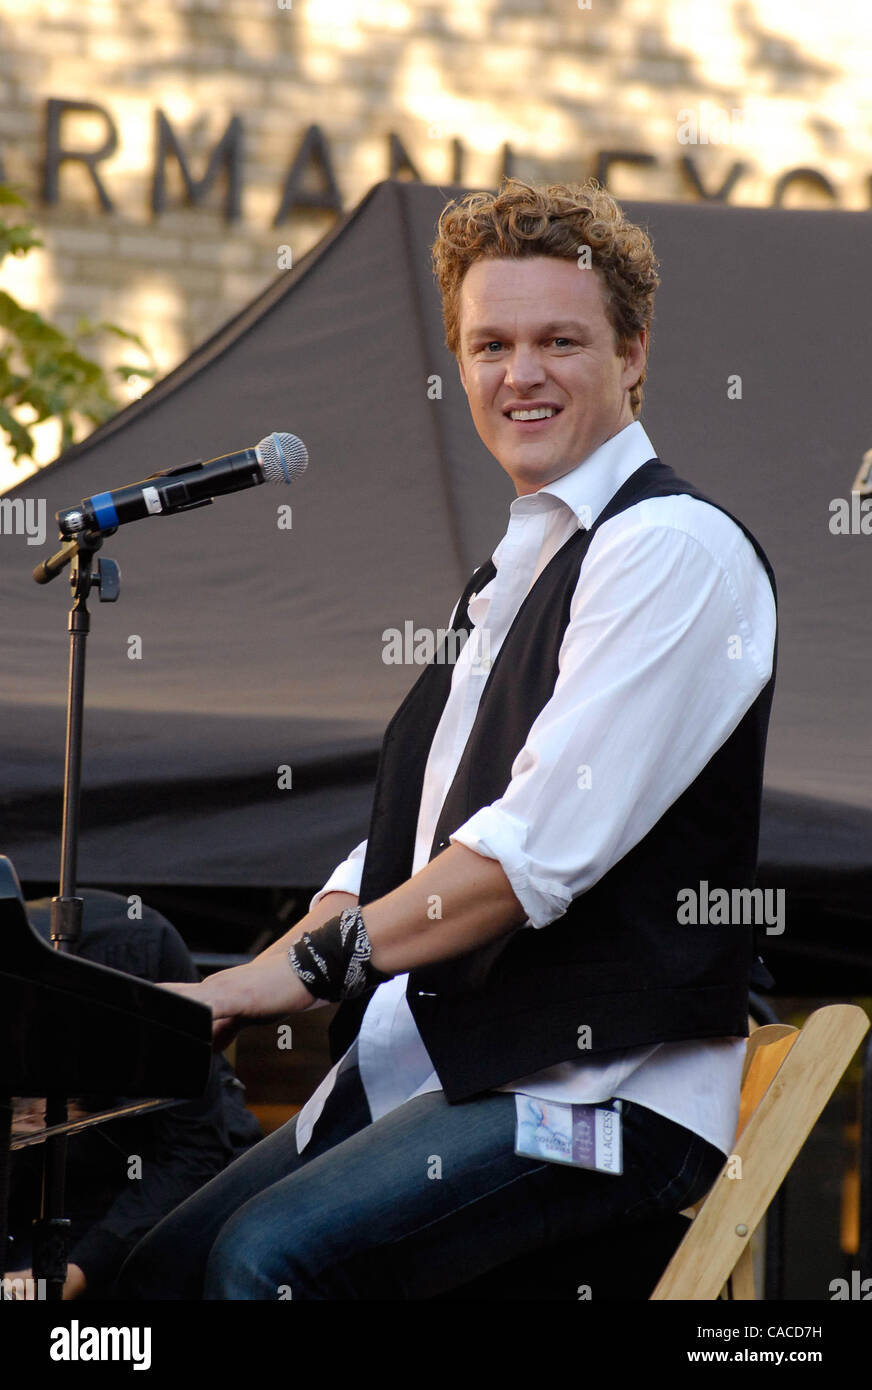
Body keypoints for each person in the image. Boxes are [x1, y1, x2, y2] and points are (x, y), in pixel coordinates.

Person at [118, 176, 777, 1301]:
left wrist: (283, 980)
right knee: (154, 1279)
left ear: (632, 354)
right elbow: (413, 847)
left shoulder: (669, 549)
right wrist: (254, 972)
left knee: (262, 1261)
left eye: (556, 340)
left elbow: (525, 860)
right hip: (449, 1076)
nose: (517, 374)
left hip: (598, 1099)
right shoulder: (509, 577)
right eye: (488, 344)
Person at [5, 889, 262, 1299]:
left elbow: (193, 1150)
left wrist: (82, 1268)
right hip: (37, 1196)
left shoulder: (137, 950)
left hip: (167, 1176)